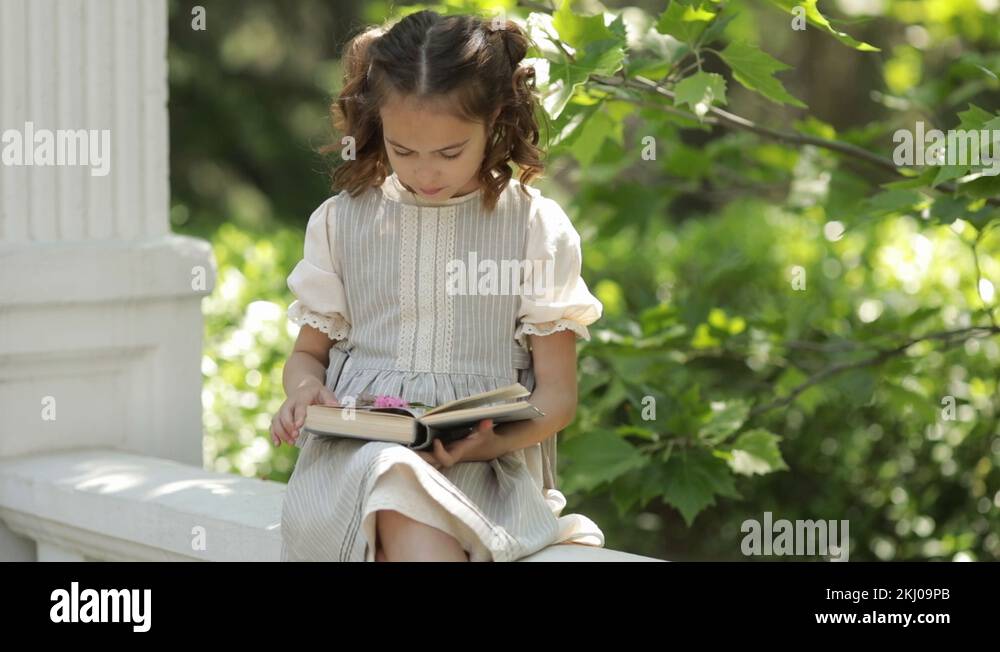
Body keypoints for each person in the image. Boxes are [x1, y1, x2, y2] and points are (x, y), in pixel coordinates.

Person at [273, 9, 604, 562]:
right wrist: (304, 391)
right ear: (379, 126)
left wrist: (493, 440)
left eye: (449, 152)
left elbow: (557, 397)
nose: (425, 173)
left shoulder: (534, 228)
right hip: (358, 453)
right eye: (404, 151)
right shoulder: (340, 221)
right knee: (390, 474)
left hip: (485, 468)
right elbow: (308, 355)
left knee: (400, 496)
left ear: (494, 119)